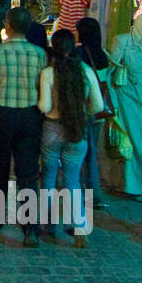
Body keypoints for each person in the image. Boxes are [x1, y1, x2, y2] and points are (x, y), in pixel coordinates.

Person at [0, 7, 45, 244]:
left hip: (0, 116)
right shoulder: (39, 55)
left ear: (9, 26)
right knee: (27, 172)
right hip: (30, 116)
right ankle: (31, 227)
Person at [38, 30, 104, 247]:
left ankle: (47, 224)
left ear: (53, 48)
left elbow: (45, 107)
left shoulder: (48, 73)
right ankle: (78, 228)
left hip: (52, 129)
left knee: (48, 178)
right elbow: (98, 106)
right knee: (73, 181)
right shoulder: (86, 71)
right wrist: (82, 112)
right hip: (77, 130)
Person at [106, 10, 142, 202]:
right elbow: (110, 71)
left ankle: (130, 182)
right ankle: (140, 187)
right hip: (128, 98)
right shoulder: (123, 42)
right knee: (136, 143)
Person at [75, 17, 112, 211]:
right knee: (91, 153)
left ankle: (81, 192)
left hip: (82, 109)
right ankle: (94, 193)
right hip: (98, 111)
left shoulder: (80, 53)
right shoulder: (102, 55)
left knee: (78, 153)